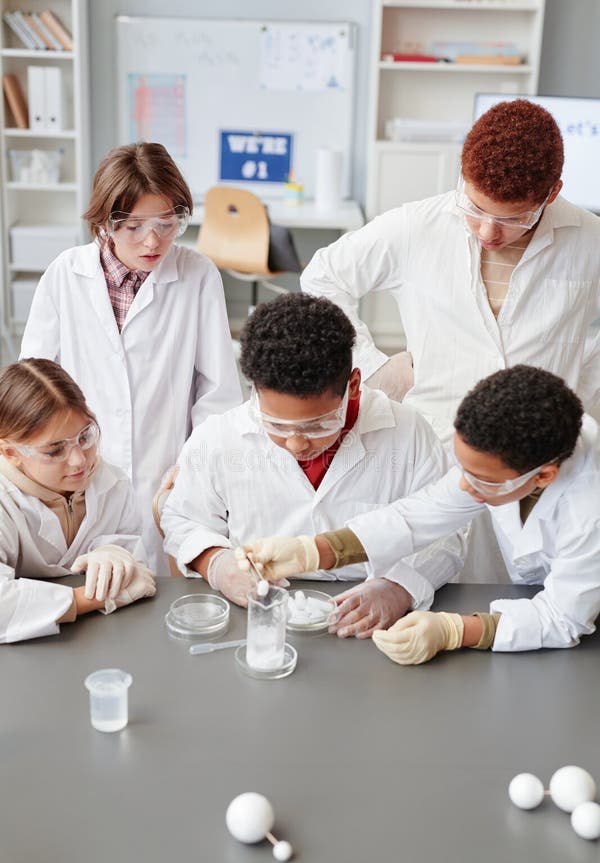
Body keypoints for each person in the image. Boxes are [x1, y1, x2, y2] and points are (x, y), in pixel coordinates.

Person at [300, 100, 600, 581]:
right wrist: (373, 366)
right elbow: (323, 277)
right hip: (437, 446)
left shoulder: (589, 240)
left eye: (513, 219)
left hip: (536, 462)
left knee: (538, 597)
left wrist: (584, 383)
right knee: (421, 582)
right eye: (474, 208)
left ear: (553, 193)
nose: (487, 232)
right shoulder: (416, 225)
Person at [238, 365, 600, 661]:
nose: (465, 488)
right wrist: (311, 550)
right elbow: (421, 514)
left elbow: (564, 617)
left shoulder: (589, 510)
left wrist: (455, 630)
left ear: (544, 476)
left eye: (483, 481)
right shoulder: (515, 442)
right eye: (463, 469)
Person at [161, 293, 465, 638]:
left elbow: (445, 534)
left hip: (372, 620)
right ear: (256, 391)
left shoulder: (408, 433)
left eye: (316, 426)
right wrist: (216, 564)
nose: (296, 443)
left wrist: (398, 587)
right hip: (259, 616)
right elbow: (183, 519)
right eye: (276, 426)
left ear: (352, 387)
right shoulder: (217, 438)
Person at [20, 142, 242, 572]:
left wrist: (193, 469)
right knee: (88, 589)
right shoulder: (66, 275)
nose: (153, 240)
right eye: (135, 226)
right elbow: (35, 385)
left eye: (167, 222)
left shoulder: (197, 276)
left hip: (168, 473)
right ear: (105, 221)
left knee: (163, 596)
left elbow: (218, 393)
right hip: (80, 473)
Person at [0, 359, 156, 644]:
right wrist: (87, 598)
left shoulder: (113, 485)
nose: (79, 460)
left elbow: (139, 577)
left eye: (85, 436)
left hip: (100, 644)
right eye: (53, 450)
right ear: (10, 453)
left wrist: (114, 553)